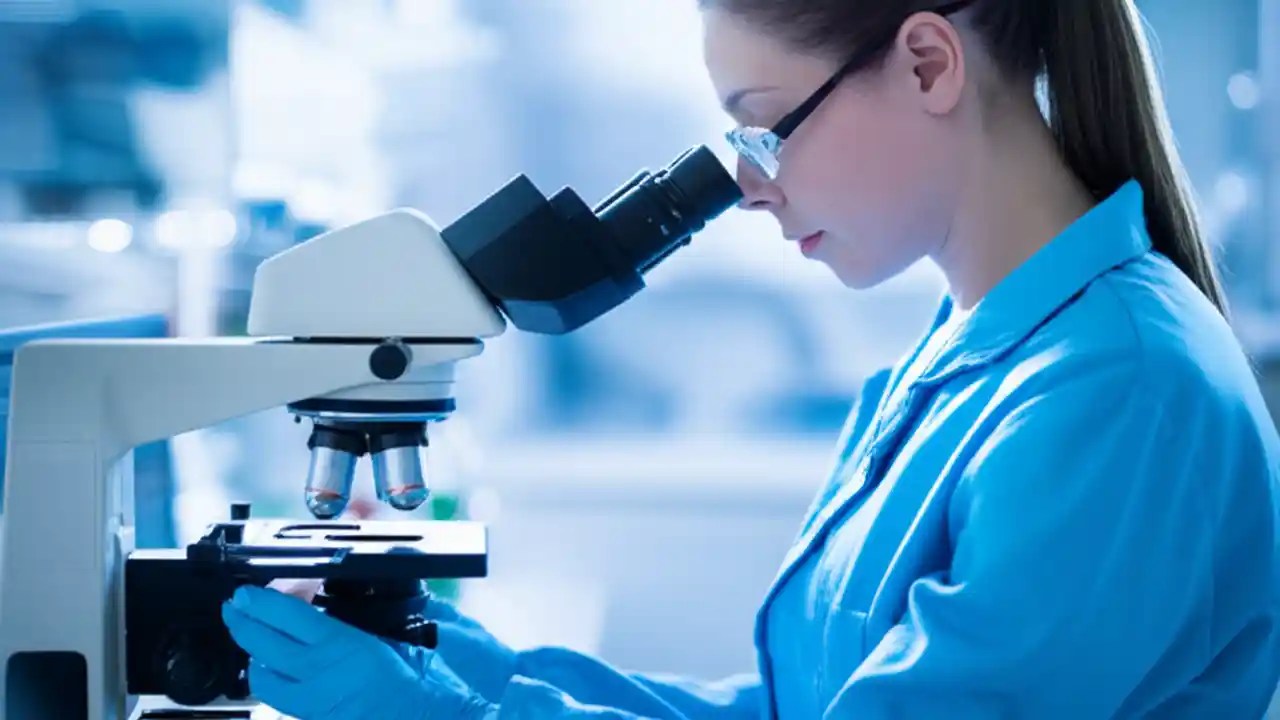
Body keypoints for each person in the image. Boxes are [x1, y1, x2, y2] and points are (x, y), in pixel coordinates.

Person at [219, 0, 1280, 717]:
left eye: (764, 130)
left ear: (926, 63)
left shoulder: (1117, 394)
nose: (749, 186)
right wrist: (462, 663)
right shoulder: (973, 361)